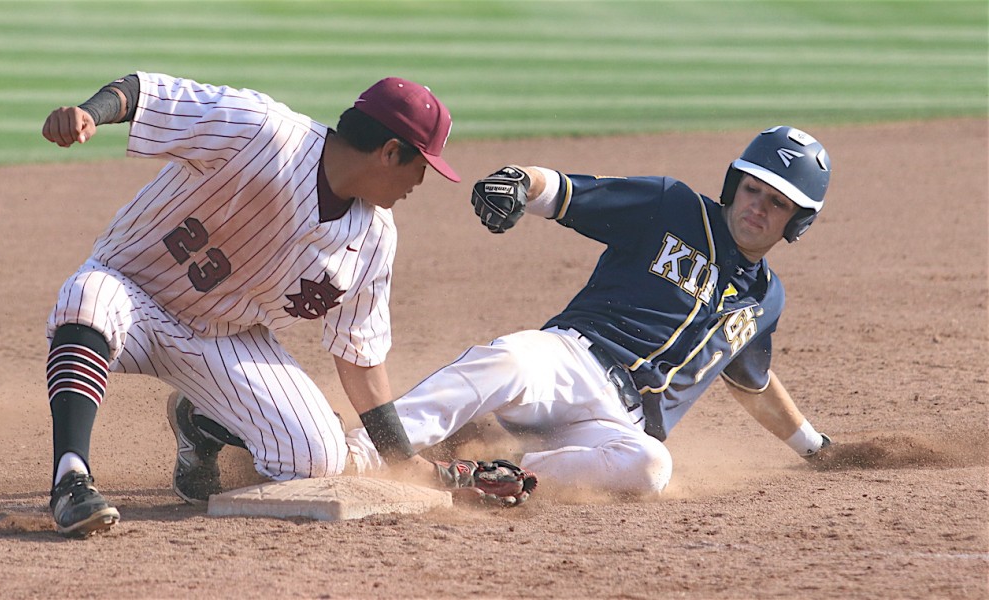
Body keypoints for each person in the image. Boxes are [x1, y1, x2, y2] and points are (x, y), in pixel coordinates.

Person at [41, 72, 460, 538]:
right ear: (390, 152)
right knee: (86, 297)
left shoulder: (375, 238)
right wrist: (89, 113)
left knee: (315, 456)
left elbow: (360, 360)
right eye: (422, 164)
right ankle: (71, 480)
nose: (422, 180)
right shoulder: (263, 130)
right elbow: (150, 95)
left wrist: (405, 460)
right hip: (129, 294)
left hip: (225, 340)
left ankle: (201, 422)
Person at [346, 125, 835, 495]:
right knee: (508, 360)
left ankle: (488, 470)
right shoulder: (673, 206)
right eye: (752, 189)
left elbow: (754, 382)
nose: (757, 207)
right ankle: (365, 451)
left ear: (798, 222)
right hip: (571, 360)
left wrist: (814, 448)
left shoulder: (766, 299)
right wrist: (519, 182)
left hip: (619, 425)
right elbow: (565, 193)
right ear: (734, 184)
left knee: (651, 467)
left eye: (777, 203)